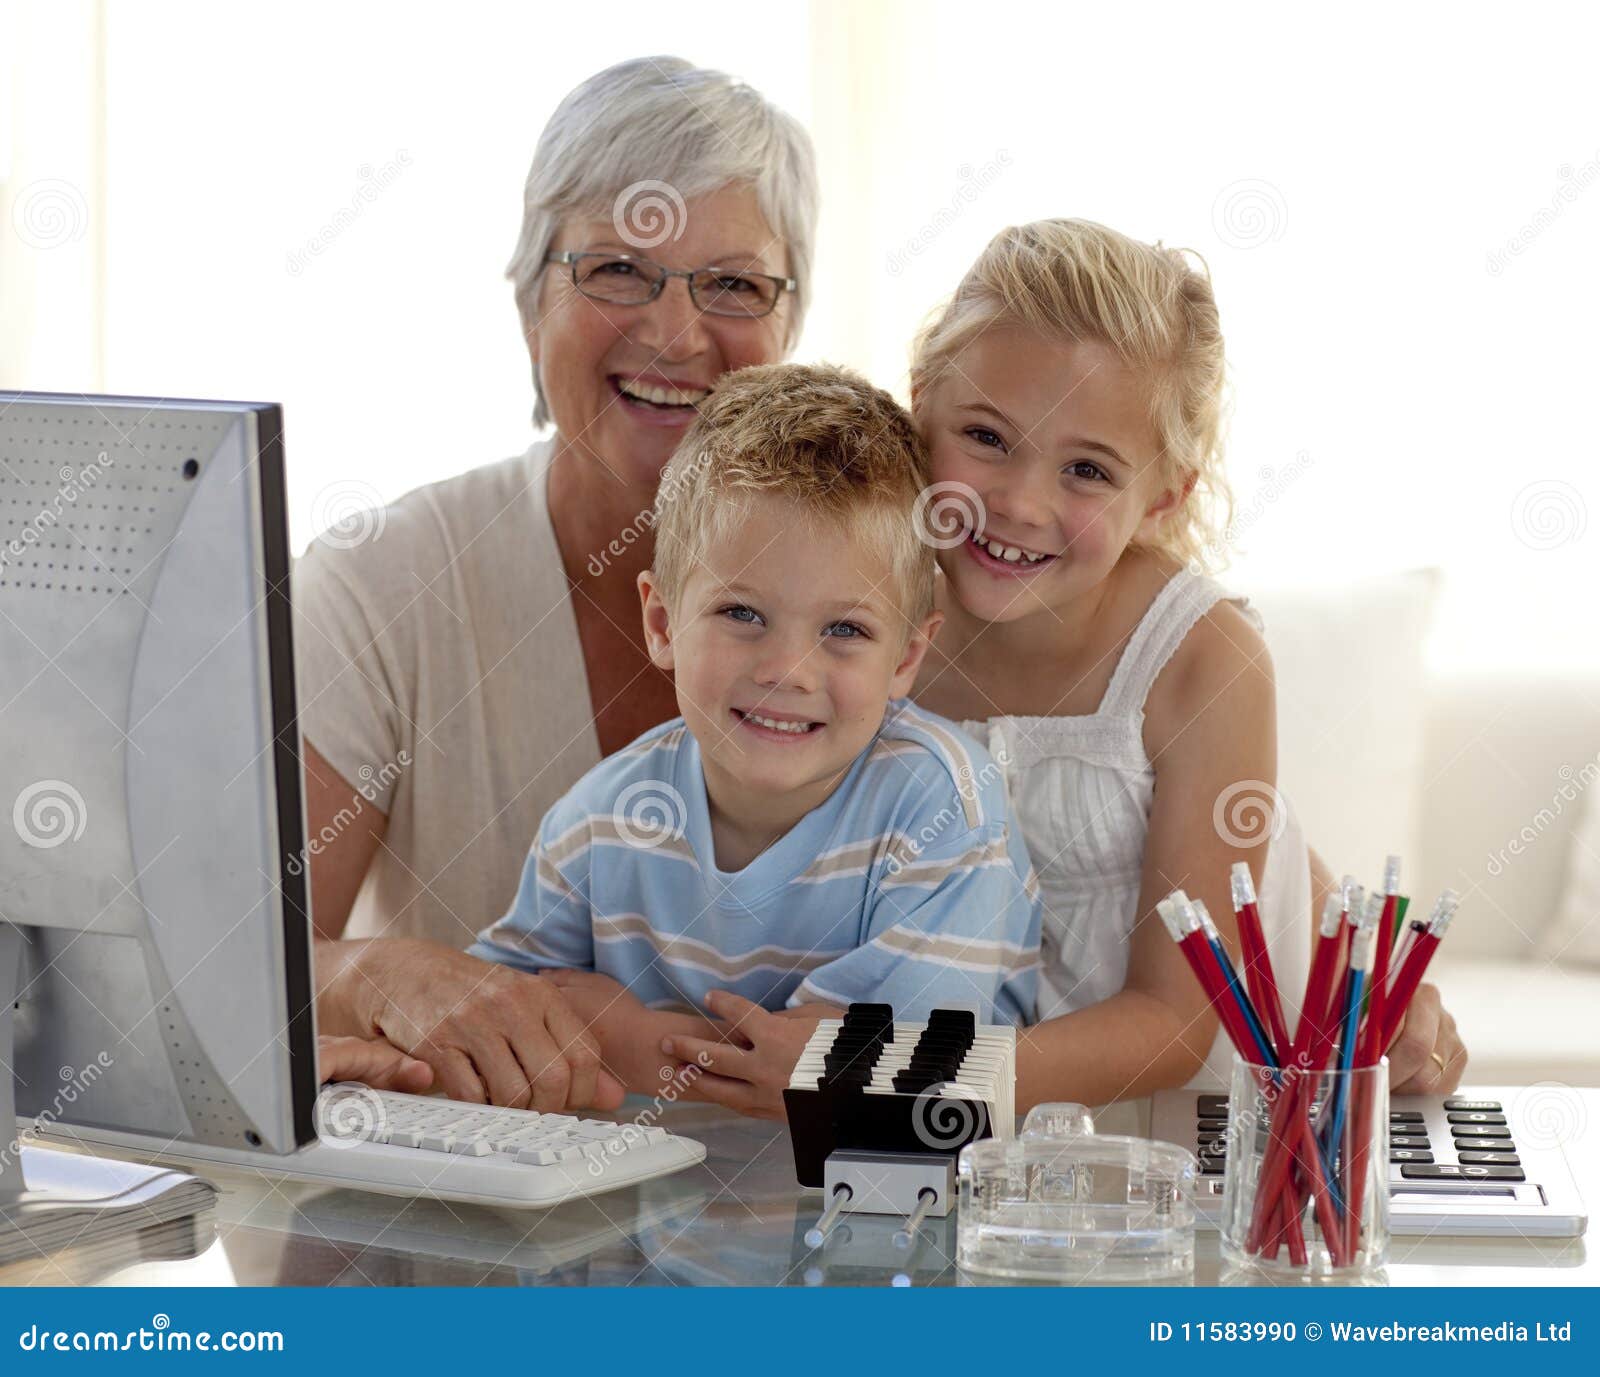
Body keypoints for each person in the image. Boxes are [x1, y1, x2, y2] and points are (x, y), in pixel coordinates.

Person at [667, 220, 1467, 1113]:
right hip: (950, 1115)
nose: (1019, 502)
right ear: (920, 405)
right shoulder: (858, 615)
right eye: (986, 436)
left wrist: (884, 1068)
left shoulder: (1201, 659)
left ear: (1163, 493)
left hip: (1194, 1110)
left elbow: (1173, 1020)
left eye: (1087, 469)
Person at [302, 56, 818, 1108]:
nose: (675, 336)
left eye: (730, 284)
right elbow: (225, 966)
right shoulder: (383, 581)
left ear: (788, 326)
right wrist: (370, 970)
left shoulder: (880, 589)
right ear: (530, 301)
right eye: (617, 270)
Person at [467, 363, 1039, 1093]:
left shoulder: (942, 811)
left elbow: (899, 1083)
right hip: (656, 1199)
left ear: (908, 657)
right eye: (742, 613)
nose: (787, 669)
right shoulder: (597, 824)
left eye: (844, 628)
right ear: (662, 621)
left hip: (905, 1206)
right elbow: (498, 1025)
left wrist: (631, 1039)